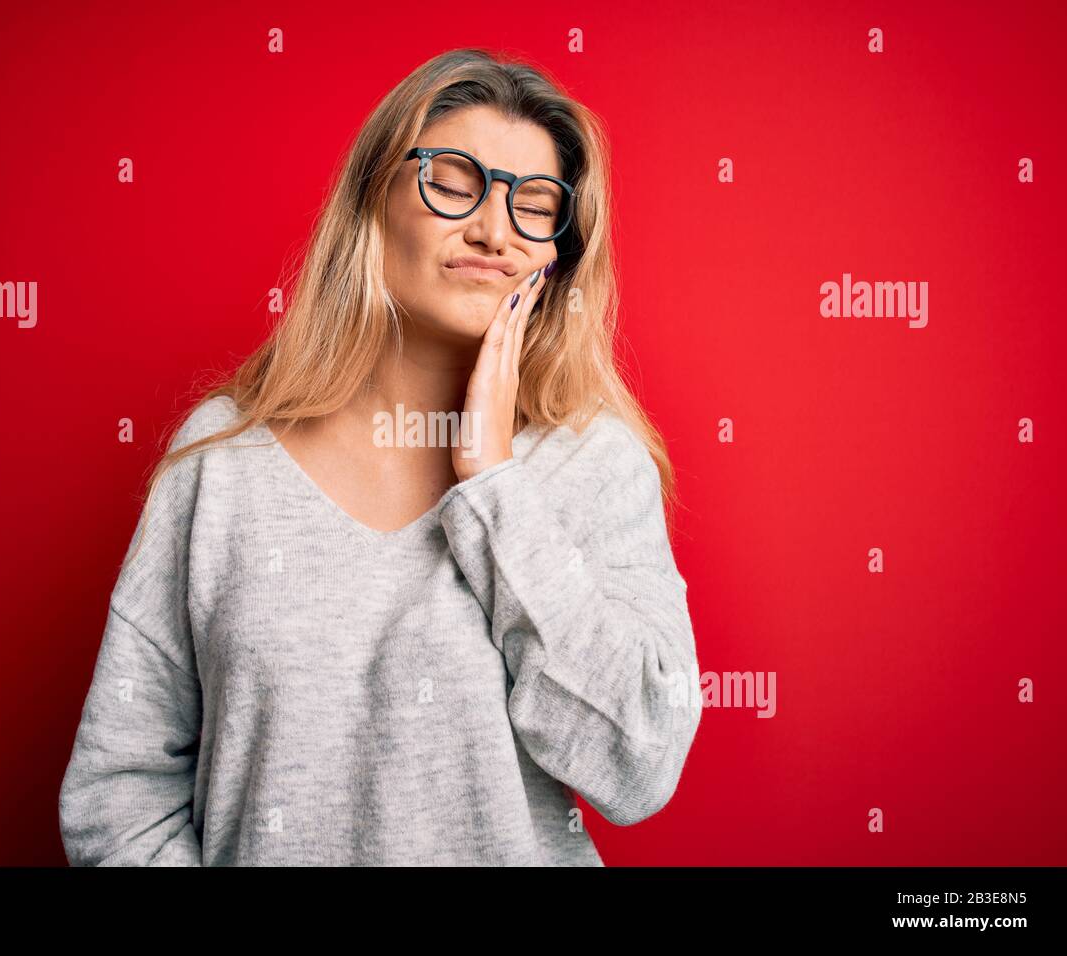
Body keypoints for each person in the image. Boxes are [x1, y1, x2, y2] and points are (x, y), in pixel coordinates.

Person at [58, 47, 702, 866]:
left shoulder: (592, 464)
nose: (494, 230)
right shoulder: (221, 462)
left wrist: (495, 485)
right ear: (373, 201)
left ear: (556, 255)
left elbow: (639, 761)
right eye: (454, 180)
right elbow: (119, 791)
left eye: (534, 203)